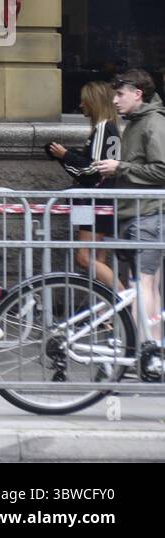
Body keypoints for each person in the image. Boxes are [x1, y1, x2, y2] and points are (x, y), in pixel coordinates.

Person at [95, 69, 165, 357]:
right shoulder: (139, 123)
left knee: (144, 284)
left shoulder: (153, 124)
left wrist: (119, 168)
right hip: (142, 214)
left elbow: (162, 169)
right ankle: (153, 351)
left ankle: (141, 352)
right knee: (149, 284)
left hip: (147, 215)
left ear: (138, 94)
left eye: (120, 93)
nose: (114, 100)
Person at [47, 80, 120, 290]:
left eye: (84, 101)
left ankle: (127, 303)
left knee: (84, 257)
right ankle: (108, 316)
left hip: (94, 200)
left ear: (94, 102)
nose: (81, 105)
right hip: (97, 200)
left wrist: (65, 155)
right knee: (98, 257)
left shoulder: (103, 127)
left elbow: (92, 170)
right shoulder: (108, 127)